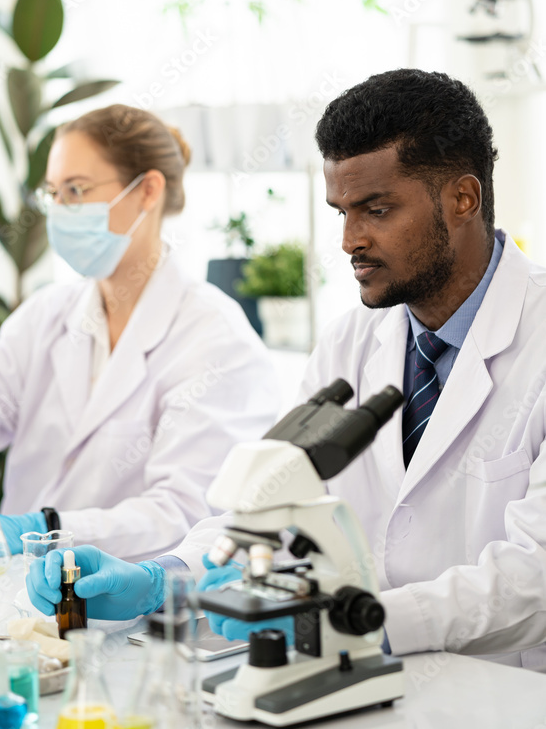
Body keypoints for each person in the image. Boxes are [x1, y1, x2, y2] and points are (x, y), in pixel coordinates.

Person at [27, 70, 546, 670]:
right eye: (341, 212)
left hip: (509, 705)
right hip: (370, 686)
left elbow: (533, 579)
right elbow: (271, 506)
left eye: (377, 210)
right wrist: (162, 575)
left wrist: (356, 622)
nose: (350, 239)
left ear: (463, 199)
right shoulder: (353, 338)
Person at [0, 105, 280, 563]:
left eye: (76, 190)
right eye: (53, 193)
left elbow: (188, 513)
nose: (59, 211)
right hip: (18, 596)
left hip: (132, 613)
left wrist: (49, 528)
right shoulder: (45, 317)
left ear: (147, 192)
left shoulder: (216, 340)